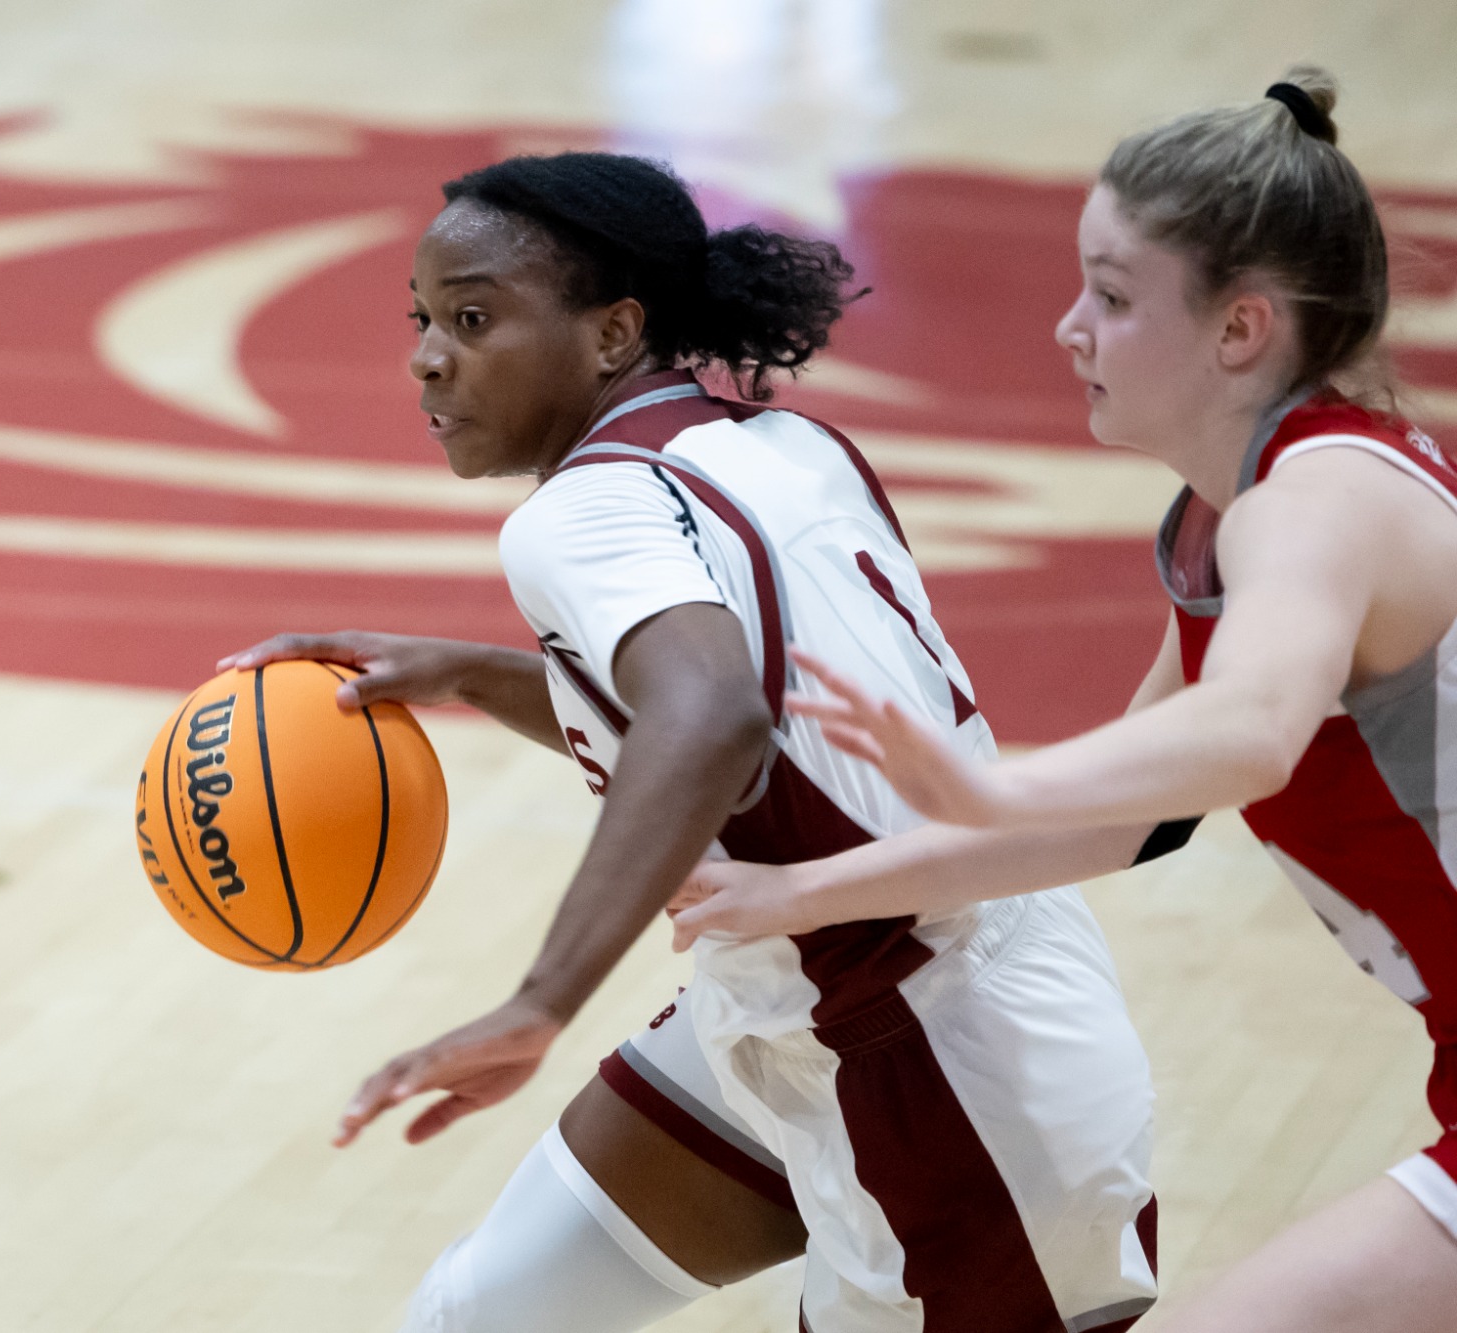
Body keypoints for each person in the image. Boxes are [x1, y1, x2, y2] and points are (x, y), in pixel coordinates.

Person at [224, 151, 1159, 1332]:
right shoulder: (787, 445)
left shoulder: (575, 514)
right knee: (475, 1315)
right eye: (421, 319)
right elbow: (761, 731)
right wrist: (475, 674)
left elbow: (713, 716)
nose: (426, 356)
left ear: (613, 332)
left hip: (943, 1071)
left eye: (471, 318)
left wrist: (539, 1000)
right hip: (825, 1000)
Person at [671, 69, 1457, 1333]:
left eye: (1111, 295)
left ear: (1238, 329)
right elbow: (1130, 815)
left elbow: (1250, 730)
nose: (1066, 328)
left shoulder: (1315, 504)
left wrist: (985, 786)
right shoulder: (1238, 516)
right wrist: (804, 891)